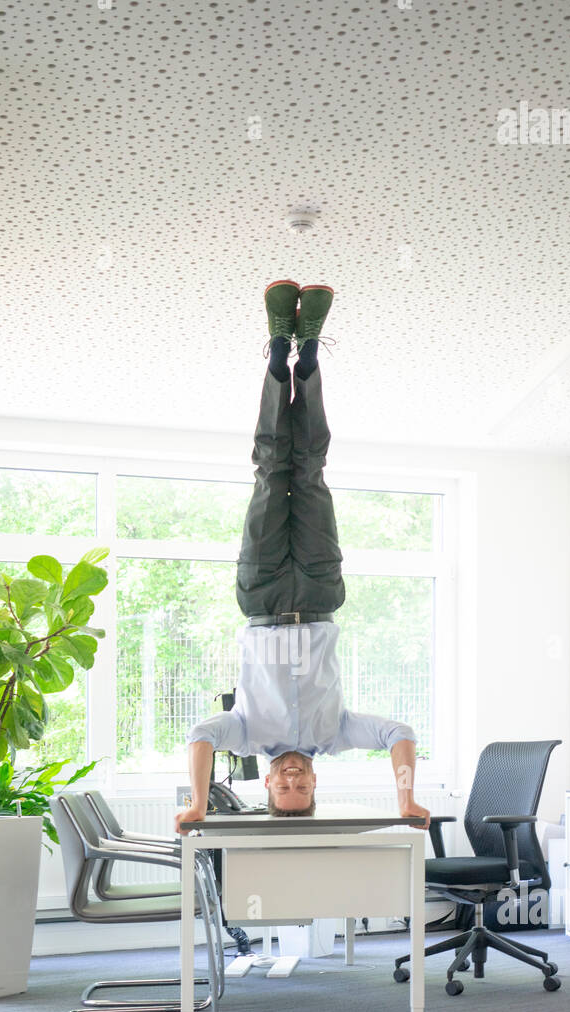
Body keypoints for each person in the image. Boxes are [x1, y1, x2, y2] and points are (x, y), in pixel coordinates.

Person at [175, 281, 430, 833]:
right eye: (301, 786)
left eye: (284, 786)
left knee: (272, 471)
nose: (292, 777)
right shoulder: (336, 733)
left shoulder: (244, 732)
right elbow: (400, 733)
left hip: (262, 596)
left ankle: (276, 351)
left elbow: (199, 735)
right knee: (308, 471)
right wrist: (406, 800)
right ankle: (307, 355)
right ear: (316, 783)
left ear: (265, 784)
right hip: (317, 594)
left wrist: (198, 805)